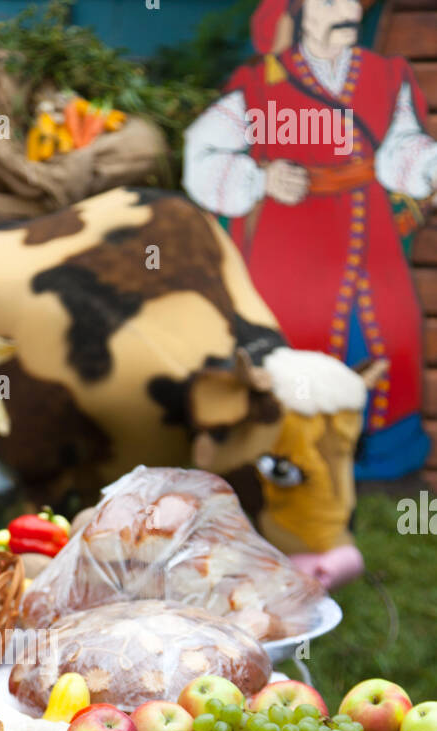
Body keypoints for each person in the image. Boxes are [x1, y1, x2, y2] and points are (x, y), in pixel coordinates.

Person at [183, 0, 437, 480]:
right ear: (298, 14)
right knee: (293, 345)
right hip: (290, 247)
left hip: (370, 243)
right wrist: (260, 177)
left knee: (386, 336)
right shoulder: (261, 85)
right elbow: (203, 156)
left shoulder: (386, 76)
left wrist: (426, 164)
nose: (346, 10)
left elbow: (401, 149)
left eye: (351, 1)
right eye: (329, 1)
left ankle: (378, 470)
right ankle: (285, 465)